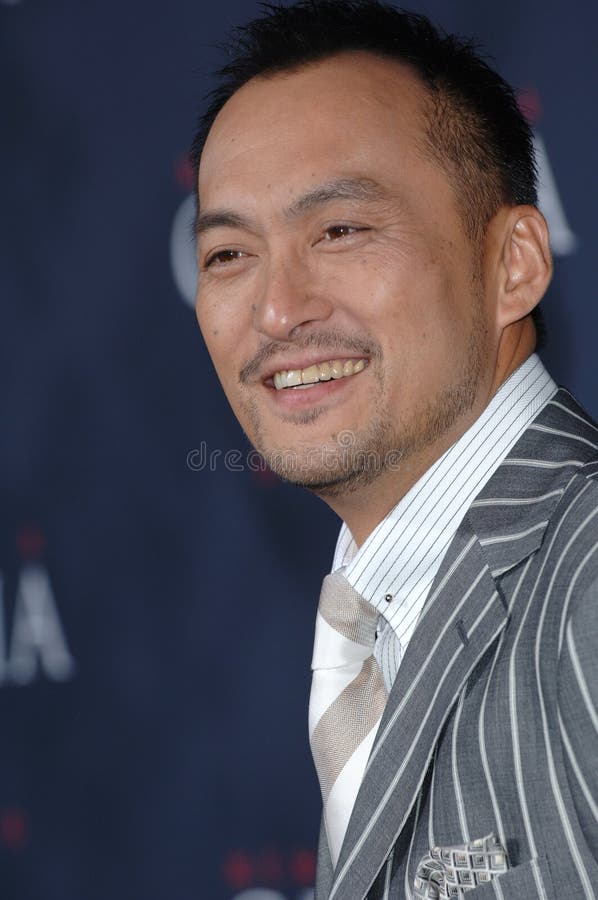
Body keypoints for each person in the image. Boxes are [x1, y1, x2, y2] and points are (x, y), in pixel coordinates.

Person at [190, 2, 598, 897]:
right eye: (226, 254)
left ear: (514, 264)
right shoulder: (379, 608)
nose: (275, 310)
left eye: (339, 232)